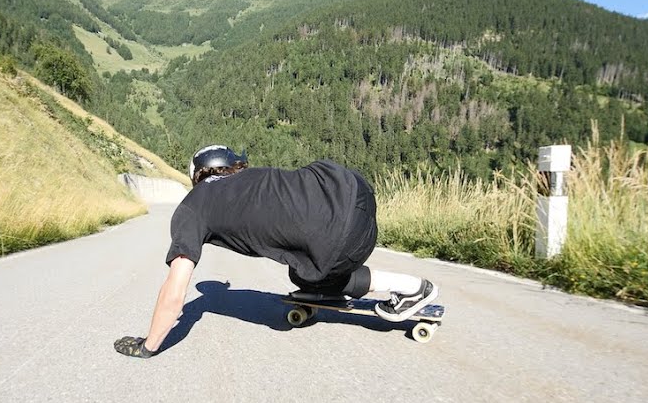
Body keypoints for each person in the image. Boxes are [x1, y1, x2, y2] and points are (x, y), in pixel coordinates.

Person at [114, 145, 439, 358]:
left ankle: (412, 286)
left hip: (340, 241)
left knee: (310, 270)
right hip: (353, 189)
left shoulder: (192, 207)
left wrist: (149, 344)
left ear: (197, 177)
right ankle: (412, 289)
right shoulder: (253, 177)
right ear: (232, 167)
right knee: (302, 269)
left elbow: (176, 288)